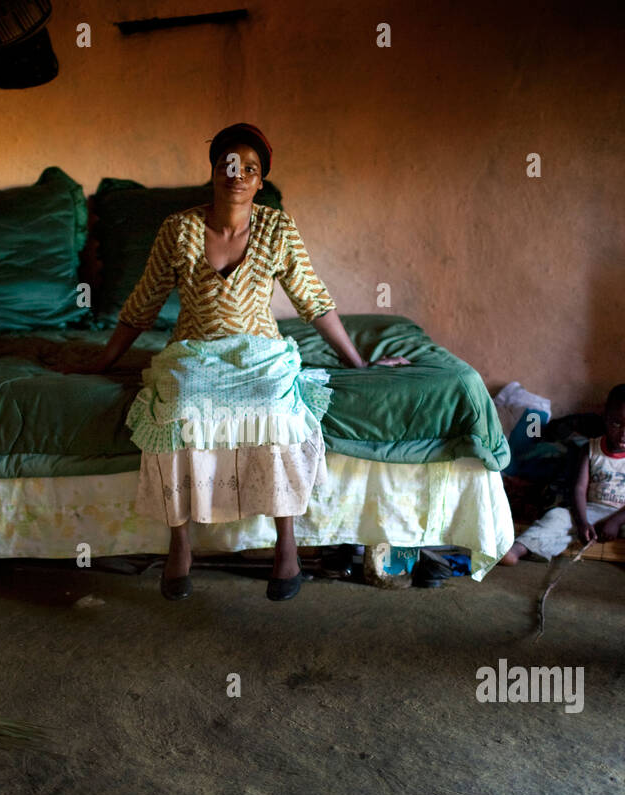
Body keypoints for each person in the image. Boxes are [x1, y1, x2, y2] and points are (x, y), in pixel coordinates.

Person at [65, 122, 409, 602]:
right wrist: (104, 359)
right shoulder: (179, 229)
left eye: (250, 168)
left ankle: (285, 543)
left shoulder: (275, 228)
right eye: (229, 163)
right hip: (194, 351)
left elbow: (314, 299)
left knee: (276, 408)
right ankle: (179, 543)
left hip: (260, 354)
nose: (238, 174)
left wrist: (360, 362)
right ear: (213, 170)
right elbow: (142, 304)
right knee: (178, 407)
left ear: (260, 181)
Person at [499, 384, 625, 594]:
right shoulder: (590, 448)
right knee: (557, 516)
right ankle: (520, 548)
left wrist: (615, 521)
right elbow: (579, 489)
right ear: (606, 419)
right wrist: (582, 521)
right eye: (617, 423)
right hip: (592, 511)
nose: (624, 433)